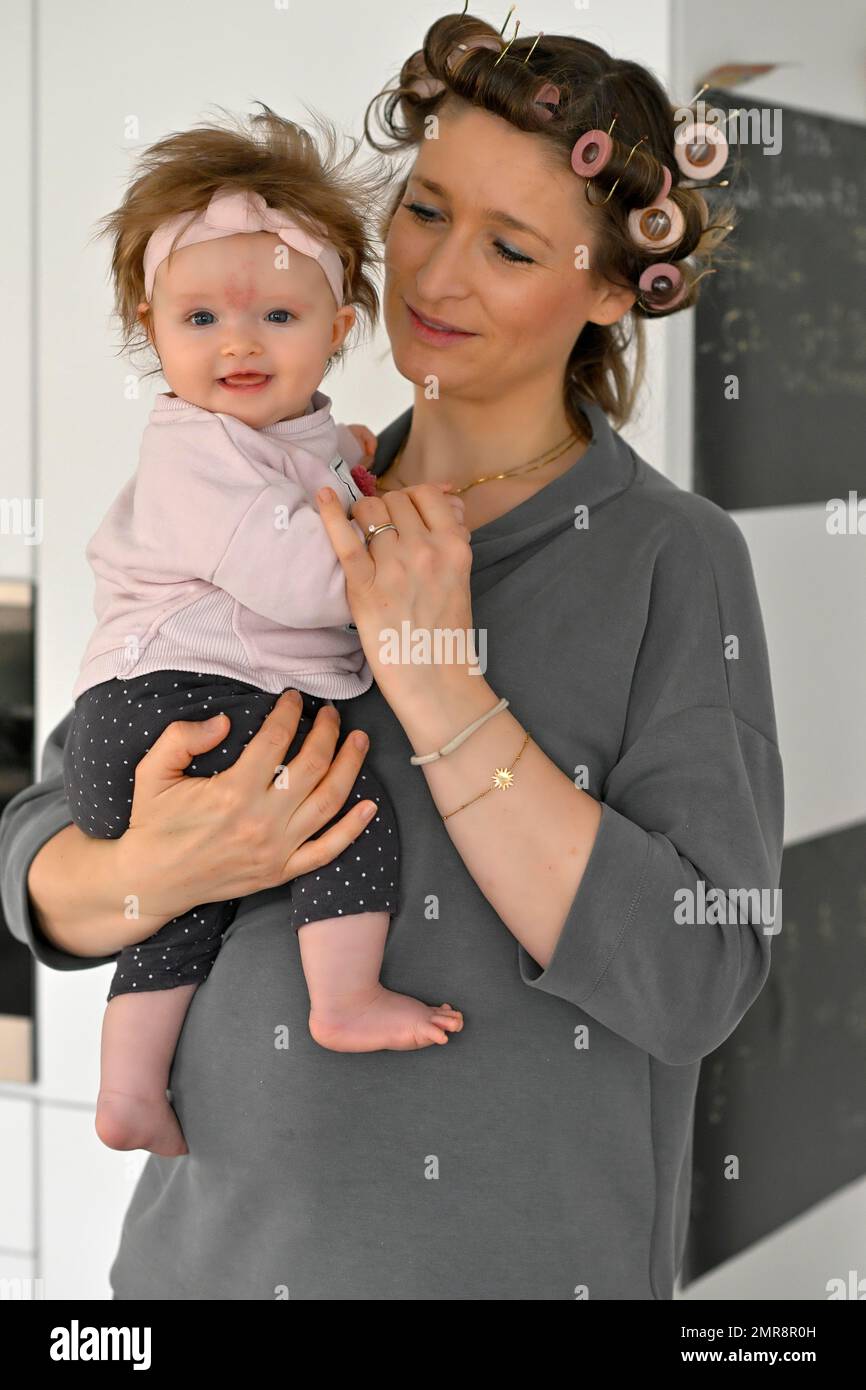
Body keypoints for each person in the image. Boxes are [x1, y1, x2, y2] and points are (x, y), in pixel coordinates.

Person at [0, 12, 784, 1299]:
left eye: (510, 245)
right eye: (423, 211)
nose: (436, 277)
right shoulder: (276, 483)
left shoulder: (666, 559)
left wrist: (433, 679)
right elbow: (39, 852)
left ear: (605, 291)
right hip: (194, 1273)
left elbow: (693, 978)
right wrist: (149, 868)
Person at [61, 105, 467, 1162]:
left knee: (179, 917)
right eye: (198, 321)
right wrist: (378, 532)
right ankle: (344, 995)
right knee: (348, 808)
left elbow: (318, 469)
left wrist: (351, 463)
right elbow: (299, 578)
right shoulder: (193, 449)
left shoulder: (289, 436)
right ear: (152, 327)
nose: (236, 343)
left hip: (139, 716)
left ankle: (128, 1092)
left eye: (276, 320)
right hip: (178, 706)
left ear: (338, 329)